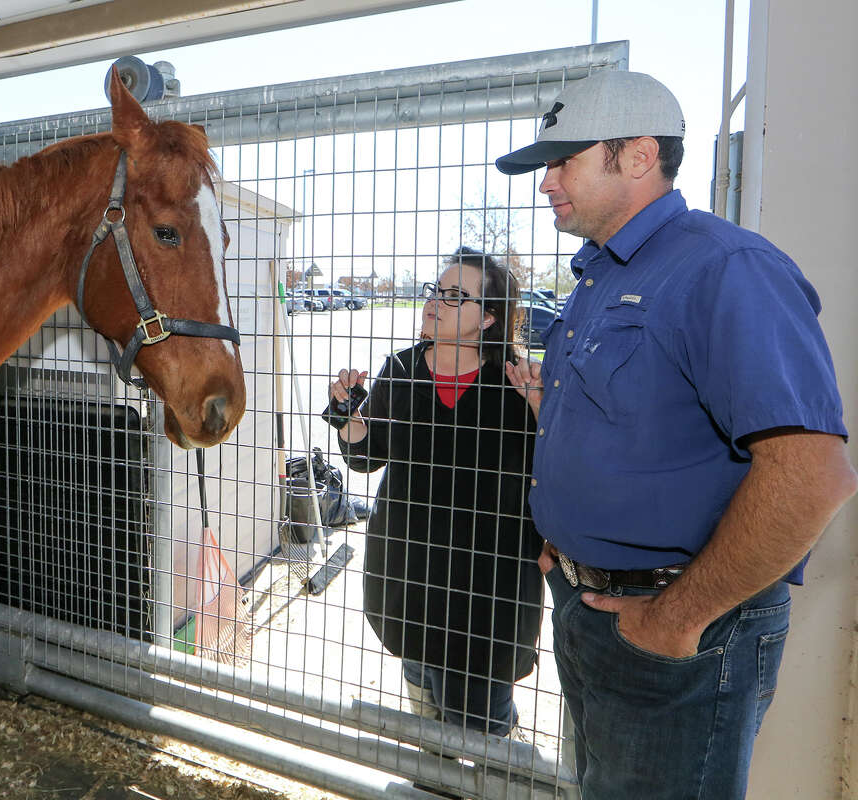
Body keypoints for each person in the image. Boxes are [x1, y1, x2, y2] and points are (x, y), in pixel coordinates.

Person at [496, 69, 856, 799]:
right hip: (590, 609)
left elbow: (813, 475)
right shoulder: (599, 277)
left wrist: (673, 620)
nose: (546, 183)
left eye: (564, 160)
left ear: (637, 156)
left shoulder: (726, 269)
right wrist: (570, 534)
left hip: (678, 633)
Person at [328, 247, 543, 737]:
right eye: (434, 291)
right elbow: (367, 457)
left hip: (487, 592)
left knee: (482, 726)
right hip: (409, 579)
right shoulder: (401, 369)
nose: (434, 303)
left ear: (489, 319)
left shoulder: (515, 380)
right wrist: (348, 417)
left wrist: (540, 409)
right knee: (425, 716)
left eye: (454, 296)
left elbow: (554, 466)